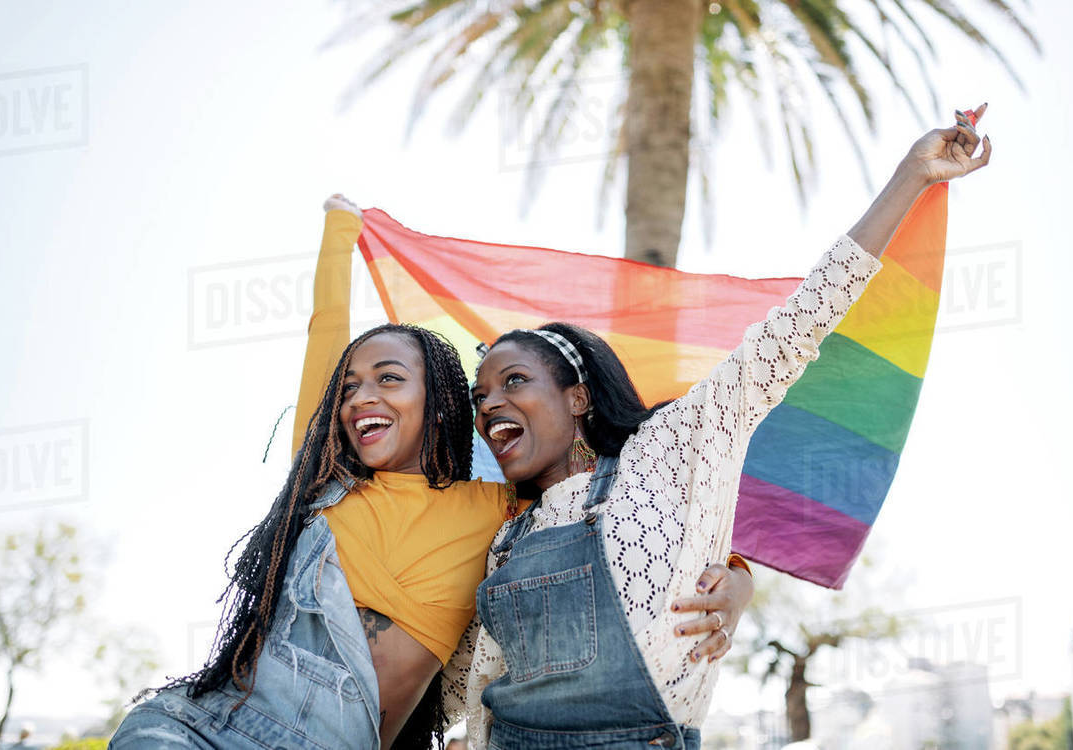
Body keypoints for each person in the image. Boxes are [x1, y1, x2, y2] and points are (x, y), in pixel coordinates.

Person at [110, 198, 753, 750]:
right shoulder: (323, 488)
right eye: (352, 385)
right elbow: (325, 332)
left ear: (440, 401)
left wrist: (738, 581)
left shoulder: (498, 509)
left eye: (390, 379)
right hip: (200, 725)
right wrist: (340, 233)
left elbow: (636, 530)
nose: (363, 396)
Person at [457, 106, 992, 748]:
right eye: (480, 395)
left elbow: (800, 321)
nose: (490, 405)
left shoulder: (673, 449)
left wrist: (911, 175)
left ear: (576, 398)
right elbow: (473, 694)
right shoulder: (505, 541)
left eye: (514, 382)